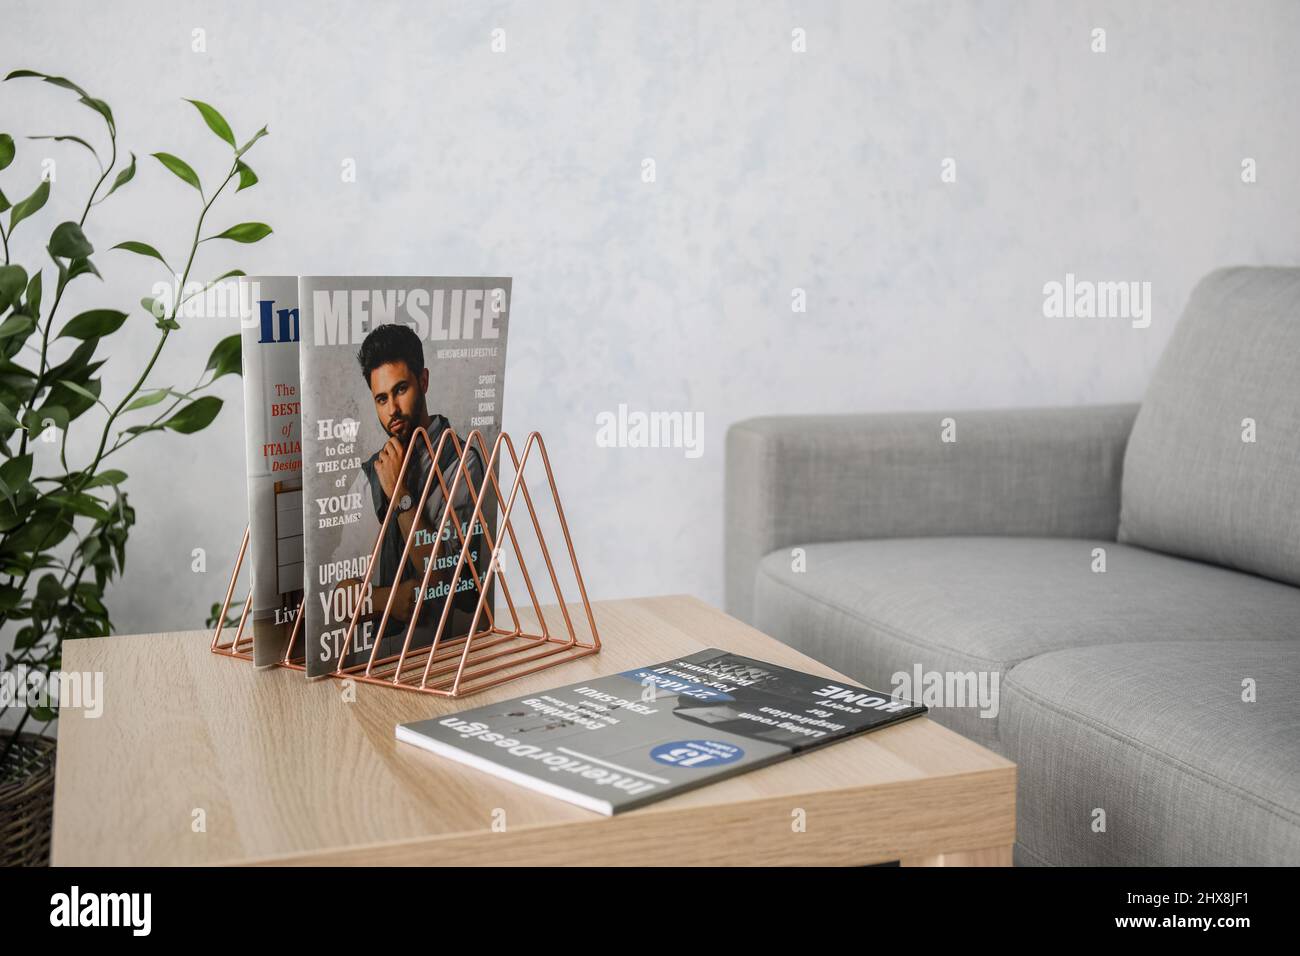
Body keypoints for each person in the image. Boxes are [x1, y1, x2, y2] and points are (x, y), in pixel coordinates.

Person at [354, 323, 486, 646]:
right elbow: (342, 594)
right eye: (381, 399)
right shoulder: (372, 471)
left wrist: (401, 497)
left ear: (423, 381)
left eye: (401, 390)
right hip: (372, 660)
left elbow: (446, 582)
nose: (393, 411)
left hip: (438, 657)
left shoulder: (462, 462)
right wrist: (393, 600)